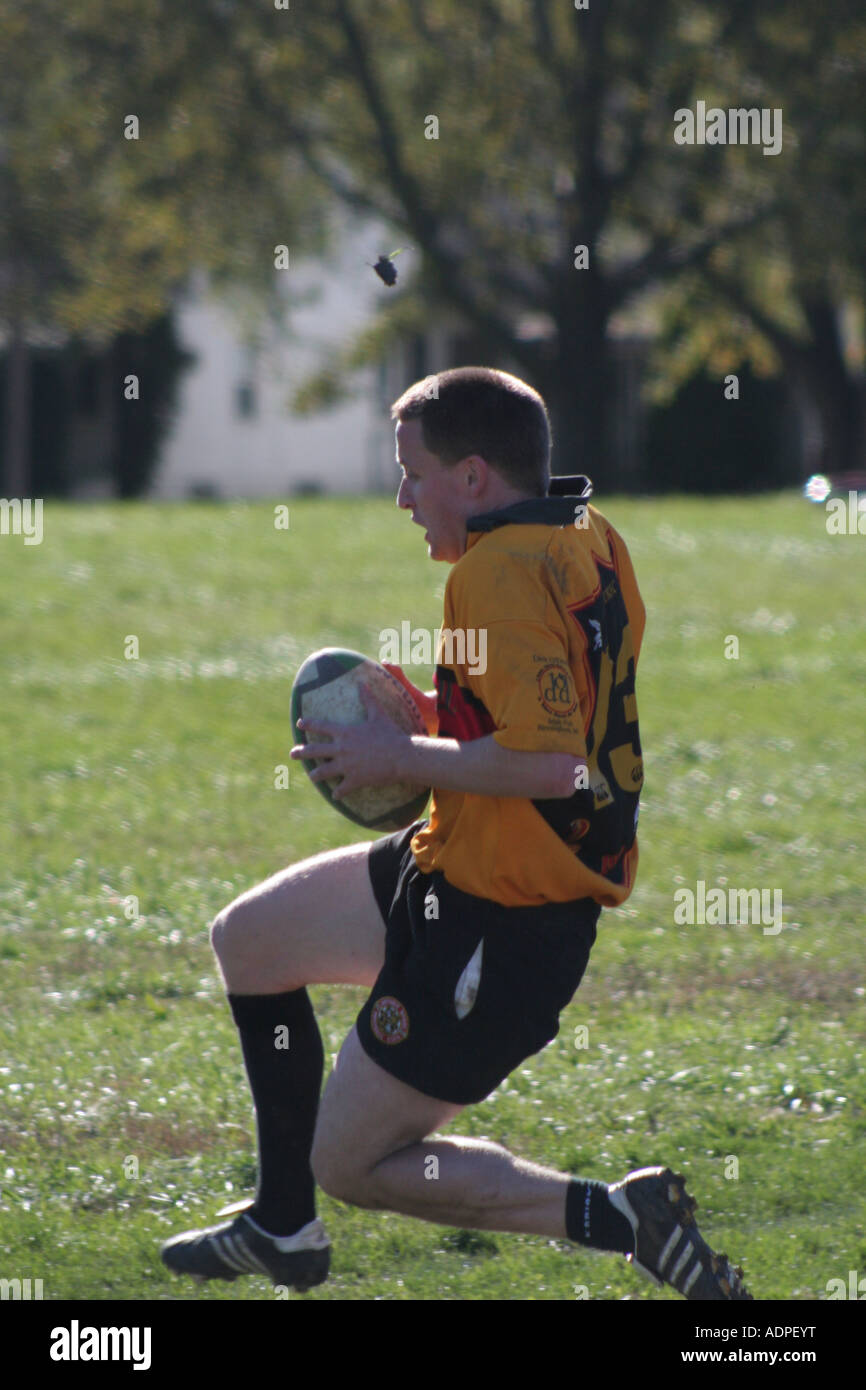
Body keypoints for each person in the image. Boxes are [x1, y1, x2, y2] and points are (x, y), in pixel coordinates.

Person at [161, 367, 751, 1300]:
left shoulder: (496, 573)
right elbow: (559, 714)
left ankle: (622, 1220)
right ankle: (282, 1227)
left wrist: (402, 753)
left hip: (505, 922)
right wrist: (437, 714)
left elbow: (551, 764)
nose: (402, 496)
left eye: (413, 473)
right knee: (251, 940)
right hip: (454, 862)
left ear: (473, 477)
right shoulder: (589, 537)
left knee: (352, 1163)